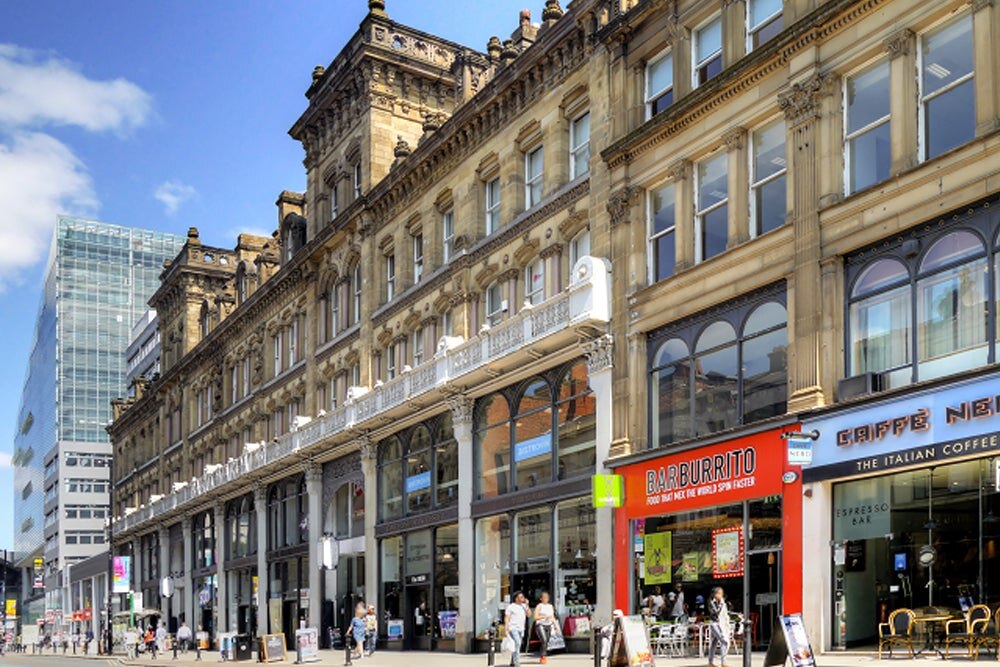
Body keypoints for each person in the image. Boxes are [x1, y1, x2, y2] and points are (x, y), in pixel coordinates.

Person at [707, 587, 731, 667]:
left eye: (721, 594)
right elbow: (715, 613)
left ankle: (710, 662)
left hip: (721, 624)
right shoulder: (711, 602)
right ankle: (723, 662)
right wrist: (721, 604)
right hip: (714, 624)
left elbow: (725, 612)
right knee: (724, 641)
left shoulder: (722, 602)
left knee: (714, 642)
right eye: (719, 593)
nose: (721, 595)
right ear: (715, 594)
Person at [505, 591, 528, 667]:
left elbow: (529, 614)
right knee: (517, 643)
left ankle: (512, 661)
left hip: (521, 628)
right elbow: (507, 617)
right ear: (516, 598)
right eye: (521, 597)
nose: (523, 598)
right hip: (513, 628)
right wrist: (506, 628)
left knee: (516, 645)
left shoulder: (523, 606)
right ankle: (517, 662)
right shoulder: (511, 606)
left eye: (523, 597)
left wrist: (527, 605)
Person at [533, 591, 556, 665]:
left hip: (548, 624)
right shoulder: (539, 606)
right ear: (541, 598)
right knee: (544, 640)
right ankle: (543, 656)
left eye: (547, 597)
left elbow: (552, 617)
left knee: (547, 641)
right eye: (544, 597)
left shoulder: (550, 606)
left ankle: (543, 654)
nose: (546, 599)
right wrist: (542, 616)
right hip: (540, 624)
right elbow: (535, 617)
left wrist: (555, 625)